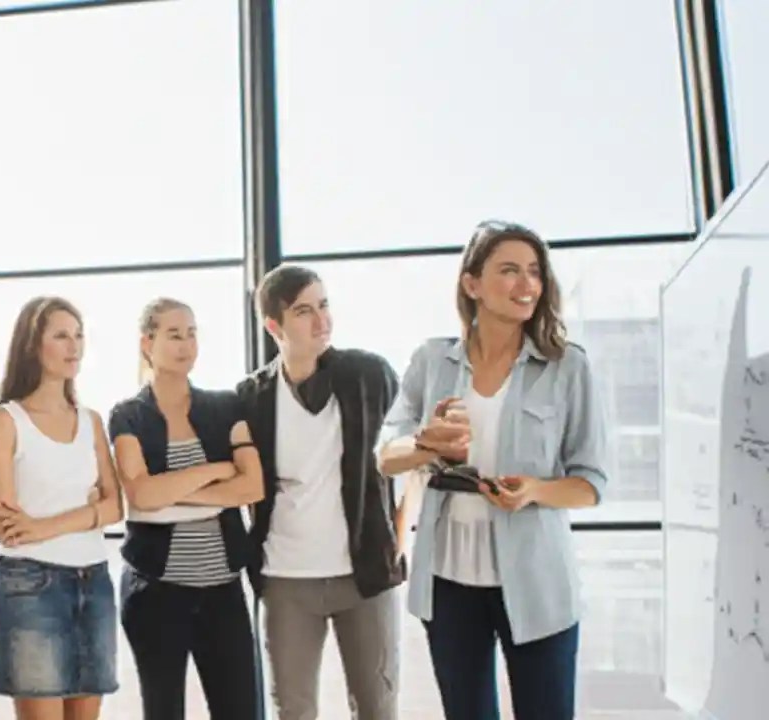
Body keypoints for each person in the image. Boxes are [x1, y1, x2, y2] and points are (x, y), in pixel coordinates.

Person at [378, 220, 608, 720]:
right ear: (472, 284)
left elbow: (591, 484)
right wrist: (424, 442)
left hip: (537, 584)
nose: (526, 284)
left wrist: (534, 490)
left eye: (534, 272)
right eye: (509, 270)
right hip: (448, 583)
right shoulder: (431, 360)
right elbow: (385, 454)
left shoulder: (568, 367)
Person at [235, 264, 404, 720]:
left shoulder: (369, 375)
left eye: (324, 305)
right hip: (287, 579)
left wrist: (399, 537)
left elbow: (407, 450)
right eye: (304, 311)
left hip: (364, 575)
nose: (321, 320)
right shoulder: (251, 397)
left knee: (377, 707)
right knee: (293, 710)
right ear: (275, 325)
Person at [108, 298, 263, 720]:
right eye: (174, 334)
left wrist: (171, 492)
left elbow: (251, 485)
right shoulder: (128, 416)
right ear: (147, 342)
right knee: (163, 712)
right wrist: (216, 470)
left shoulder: (225, 405)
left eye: (192, 332)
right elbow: (140, 495)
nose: (186, 343)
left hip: (223, 591)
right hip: (156, 592)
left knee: (242, 711)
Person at [0, 296, 123, 720]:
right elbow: (7, 526)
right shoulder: (4, 420)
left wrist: (45, 524)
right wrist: (87, 513)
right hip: (31, 586)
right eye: (61, 335)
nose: (73, 346)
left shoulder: (92, 420)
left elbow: (117, 506)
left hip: (94, 580)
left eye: (78, 335)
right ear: (32, 344)